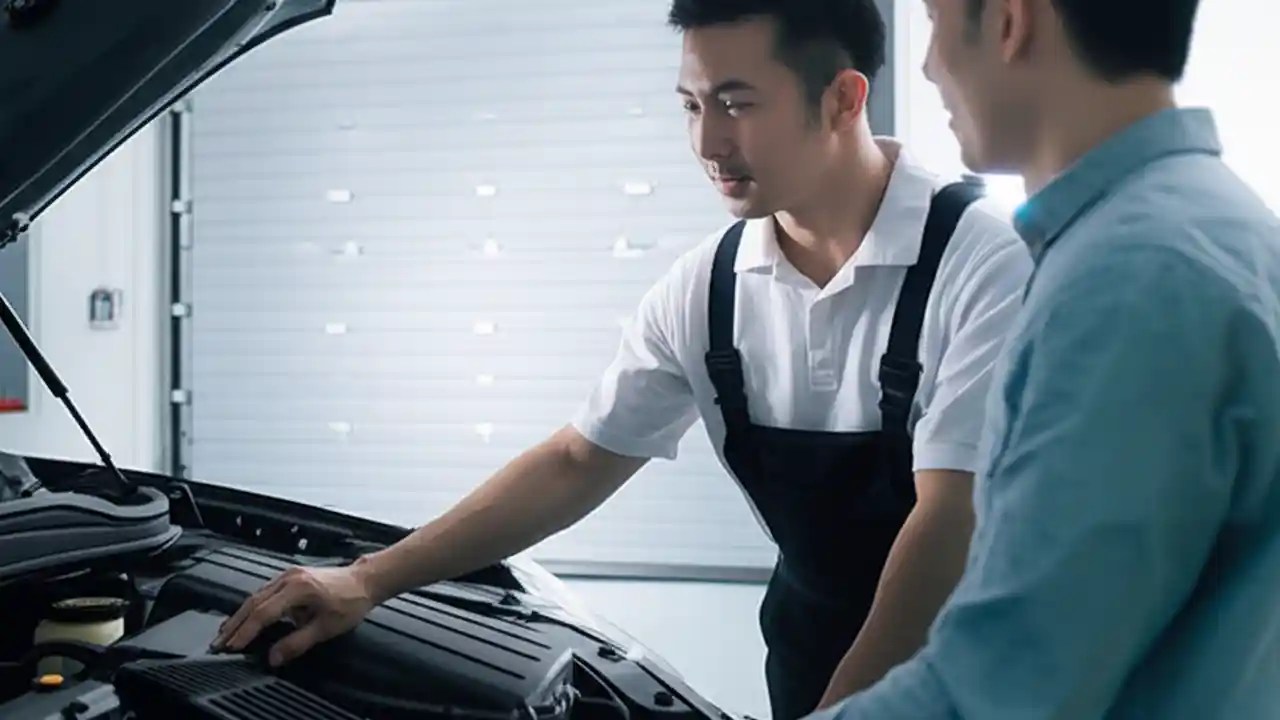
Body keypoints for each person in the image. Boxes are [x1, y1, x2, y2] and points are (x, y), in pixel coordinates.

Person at [211, 2, 1033, 716]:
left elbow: (949, 518)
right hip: (809, 660)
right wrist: (367, 581)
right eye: (691, 105)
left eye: (738, 103)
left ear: (842, 99)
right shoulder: (706, 290)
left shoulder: (982, 264)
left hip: (982, 672)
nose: (708, 141)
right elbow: (577, 460)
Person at [807, 0, 1280, 718]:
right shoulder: (1221, 226)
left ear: (1008, 21)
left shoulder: (1130, 279)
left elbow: (1005, 686)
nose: (930, 65)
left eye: (934, 21)